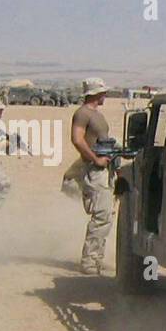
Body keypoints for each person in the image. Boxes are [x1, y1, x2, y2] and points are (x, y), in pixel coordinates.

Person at [62, 77, 114, 274]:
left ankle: (96, 258)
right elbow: (77, 139)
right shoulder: (83, 113)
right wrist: (95, 159)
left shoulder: (95, 114)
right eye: (103, 92)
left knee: (106, 215)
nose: (105, 95)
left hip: (102, 168)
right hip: (94, 170)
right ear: (96, 94)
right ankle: (89, 261)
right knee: (101, 215)